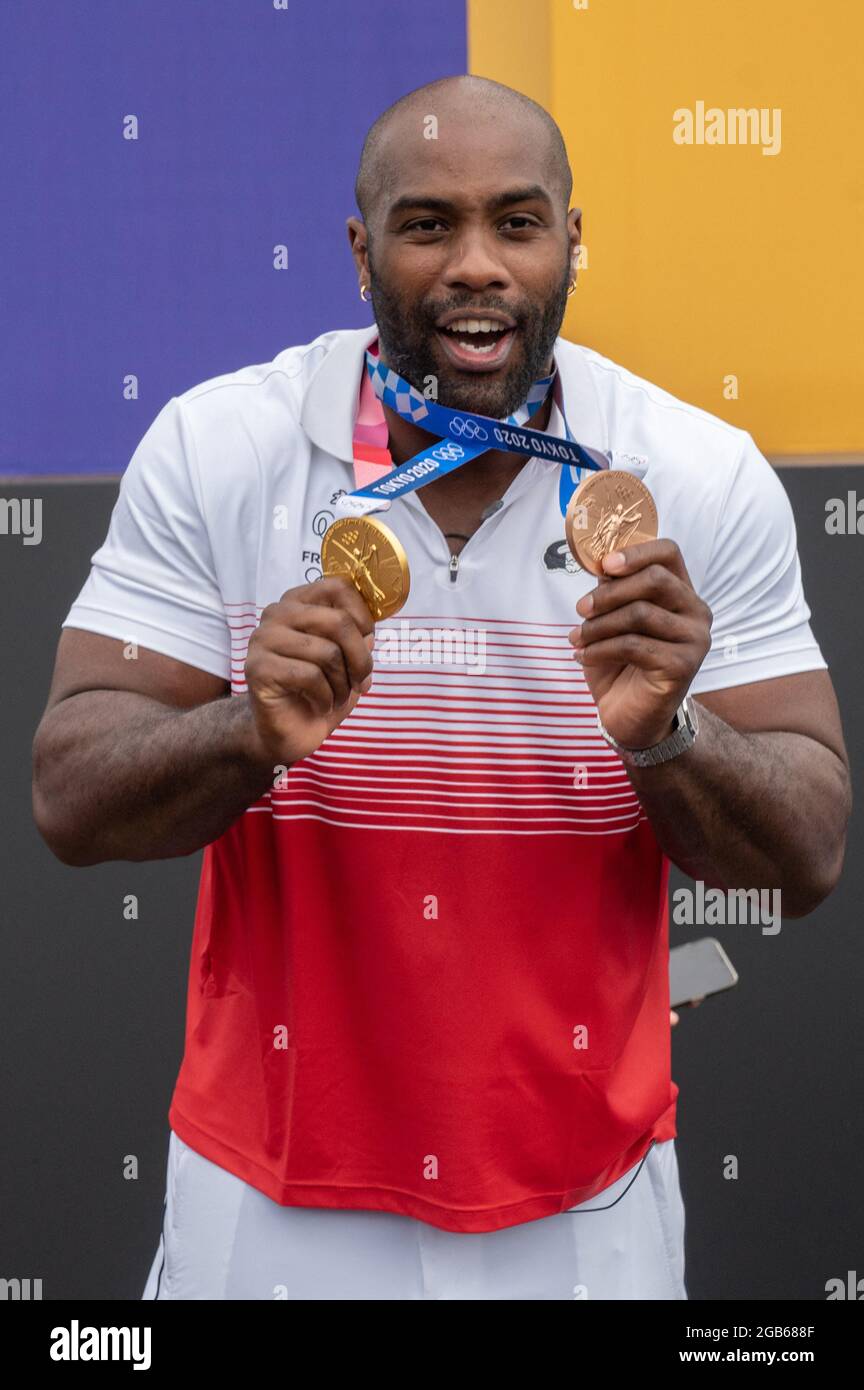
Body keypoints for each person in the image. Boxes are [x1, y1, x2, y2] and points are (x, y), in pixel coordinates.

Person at [31, 75, 850, 1301]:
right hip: (271, 1194)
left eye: (518, 222)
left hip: (585, 1200)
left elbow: (811, 850)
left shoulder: (693, 469)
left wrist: (671, 736)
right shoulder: (222, 445)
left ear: (575, 238)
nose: (478, 264)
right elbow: (69, 793)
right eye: (428, 226)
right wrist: (244, 733)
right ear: (362, 252)